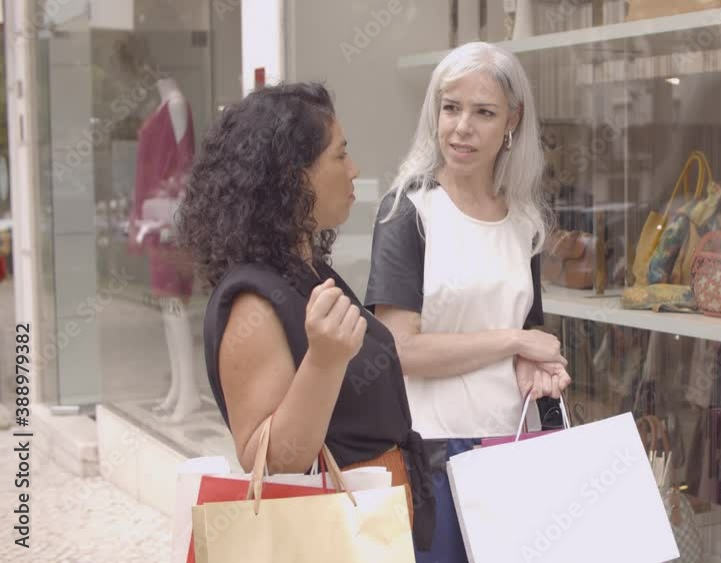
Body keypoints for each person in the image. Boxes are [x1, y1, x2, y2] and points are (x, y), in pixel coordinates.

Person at [177, 82, 434, 550]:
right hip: (334, 535)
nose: (354, 170)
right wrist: (323, 361)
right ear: (293, 178)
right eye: (340, 155)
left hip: (375, 526)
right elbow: (271, 460)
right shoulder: (253, 300)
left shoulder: (305, 271)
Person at [365, 42, 571, 561]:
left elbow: (527, 335)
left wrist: (534, 362)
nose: (462, 128)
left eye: (483, 113)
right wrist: (513, 341)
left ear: (512, 121)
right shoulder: (409, 211)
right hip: (432, 449)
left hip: (513, 444)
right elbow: (400, 349)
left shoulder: (524, 221)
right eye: (451, 108)